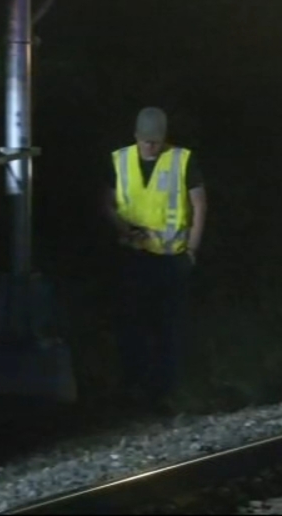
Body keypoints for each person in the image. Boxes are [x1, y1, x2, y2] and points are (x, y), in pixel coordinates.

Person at [103, 106, 206, 413]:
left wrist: (192, 249)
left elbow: (199, 205)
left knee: (169, 329)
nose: (151, 146)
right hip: (135, 256)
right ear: (136, 137)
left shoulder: (182, 160)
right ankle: (132, 388)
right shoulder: (120, 160)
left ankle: (164, 393)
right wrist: (122, 228)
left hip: (172, 259)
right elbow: (106, 202)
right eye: (146, 140)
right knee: (133, 325)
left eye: (156, 141)